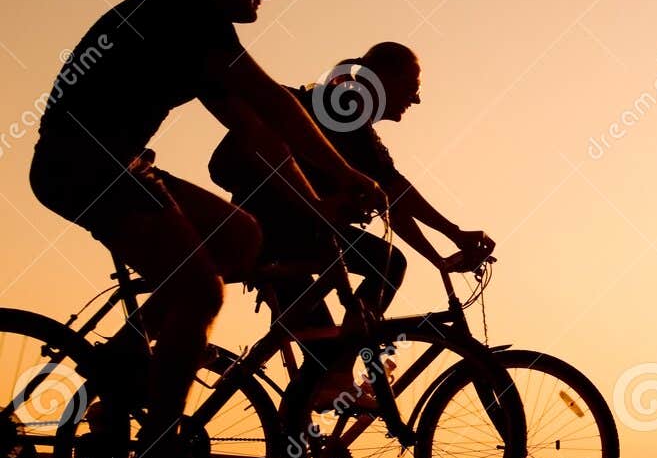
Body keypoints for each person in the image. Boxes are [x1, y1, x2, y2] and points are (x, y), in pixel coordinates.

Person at [29, 0, 381, 458]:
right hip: (85, 163)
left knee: (242, 237)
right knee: (202, 293)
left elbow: (256, 131)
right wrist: (344, 173)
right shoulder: (191, 16)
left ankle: (122, 364)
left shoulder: (193, 37)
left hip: (115, 164)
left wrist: (315, 204)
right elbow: (275, 102)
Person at [207, 41, 496, 338]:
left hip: (280, 233)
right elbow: (394, 187)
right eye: (412, 85)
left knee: (321, 357)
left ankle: (339, 367)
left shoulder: (344, 114)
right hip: (279, 233)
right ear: (382, 77)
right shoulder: (341, 108)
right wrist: (455, 233)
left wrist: (438, 259)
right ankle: (347, 360)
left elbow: (390, 204)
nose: (417, 98)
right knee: (387, 264)